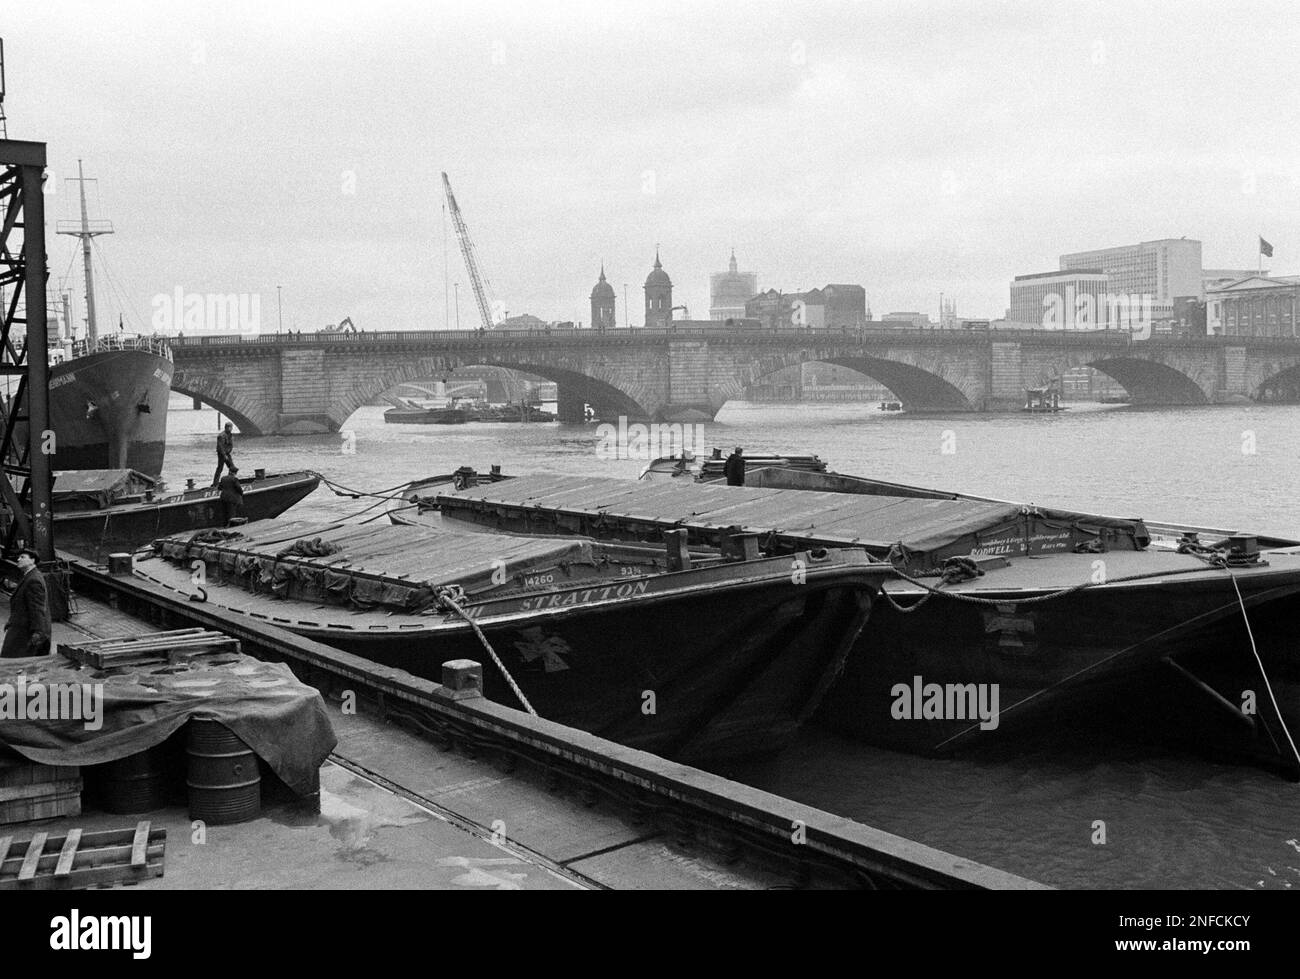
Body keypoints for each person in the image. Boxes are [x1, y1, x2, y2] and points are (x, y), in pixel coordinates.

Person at [3, 548, 52, 658]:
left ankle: (23, 676)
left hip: (26, 633)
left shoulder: (33, 580)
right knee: (18, 665)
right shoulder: (29, 576)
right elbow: (23, 605)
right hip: (20, 629)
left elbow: (38, 609)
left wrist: (38, 633)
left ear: (32, 560)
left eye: (22, 557)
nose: (18, 559)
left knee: (20, 665)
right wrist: (11, 621)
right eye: (19, 557)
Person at [213, 421, 235, 486]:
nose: (231, 429)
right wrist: (224, 455)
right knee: (220, 468)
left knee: (232, 468)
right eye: (230, 427)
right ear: (226, 427)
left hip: (227, 453)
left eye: (231, 427)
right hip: (222, 454)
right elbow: (220, 446)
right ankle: (215, 483)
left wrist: (229, 452)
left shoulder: (230, 435)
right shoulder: (221, 435)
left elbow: (230, 445)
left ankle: (229, 481)